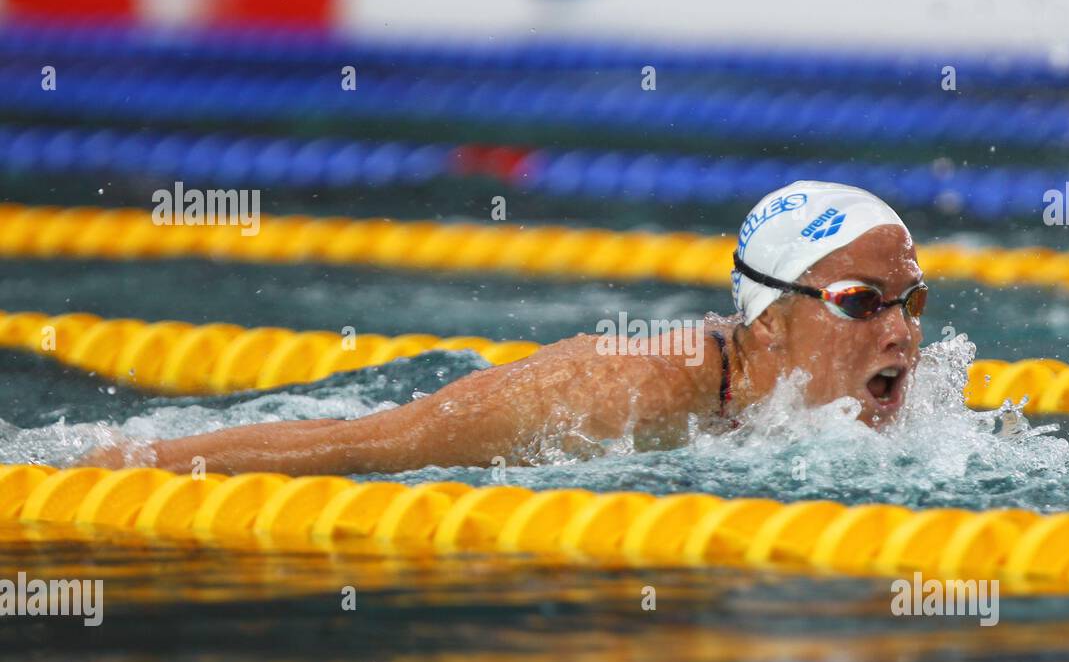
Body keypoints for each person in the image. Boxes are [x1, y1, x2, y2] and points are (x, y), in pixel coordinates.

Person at [80, 181, 926, 475]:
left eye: (911, 301)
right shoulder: (615, 389)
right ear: (771, 324)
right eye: (861, 300)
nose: (902, 334)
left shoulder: (907, 425)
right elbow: (366, 445)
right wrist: (131, 469)